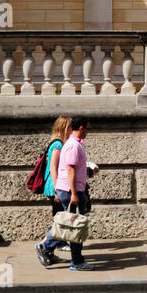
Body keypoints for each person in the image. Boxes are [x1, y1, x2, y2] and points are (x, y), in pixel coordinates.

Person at [53, 116, 94, 271]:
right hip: (72, 191)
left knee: (71, 224)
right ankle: (76, 261)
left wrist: (86, 172)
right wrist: (75, 194)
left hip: (73, 189)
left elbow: (74, 168)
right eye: (88, 129)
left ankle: (47, 246)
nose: (88, 132)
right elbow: (70, 169)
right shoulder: (73, 146)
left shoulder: (75, 144)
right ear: (81, 128)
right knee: (75, 226)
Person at [34, 115, 72, 267]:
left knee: (59, 219)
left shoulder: (59, 143)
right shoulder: (57, 145)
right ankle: (44, 246)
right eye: (70, 127)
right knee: (62, 220)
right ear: (63, 128)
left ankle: (50, 250)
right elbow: (53, 168)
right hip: (54, 186)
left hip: (55, 186)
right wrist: (57, 190)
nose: (72, 130)